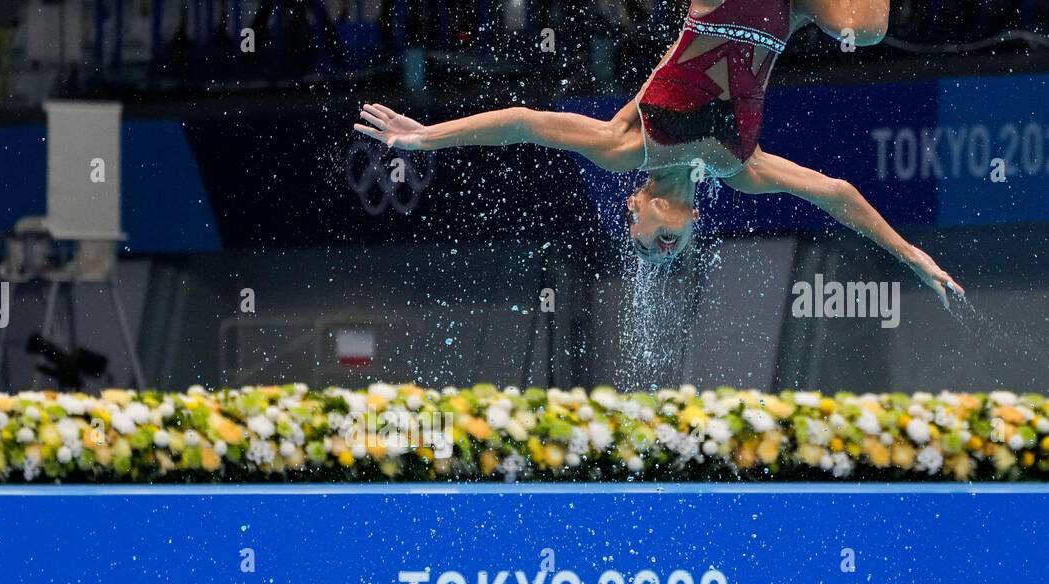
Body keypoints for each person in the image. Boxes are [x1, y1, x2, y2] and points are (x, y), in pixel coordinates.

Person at [351, 0, 964, 306]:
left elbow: (527, 123)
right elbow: (839, 195)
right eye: (671, 254)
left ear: (633, 207)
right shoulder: (740, 169)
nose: (658, 251)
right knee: (866, 28)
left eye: (644, 246)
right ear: (696, 224)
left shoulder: (627, 147)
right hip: (789, 11)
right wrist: (910, 256)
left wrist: (427, 134)